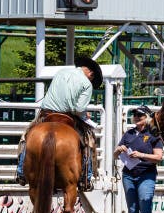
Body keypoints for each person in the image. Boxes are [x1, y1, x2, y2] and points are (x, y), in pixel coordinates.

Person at [15, 56, 103, 191]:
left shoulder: (61, 73)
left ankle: (21, 171)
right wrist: (85, 115)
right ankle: (86, 177)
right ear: (91, 74)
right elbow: (78, 109)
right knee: (87, 140)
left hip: (46, 114)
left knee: (27, 137)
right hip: (67, 116)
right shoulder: (86, 84)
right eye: (92, 78)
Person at [114, 105, 163, 213]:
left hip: (146, 174)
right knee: (133, 210)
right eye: (135, 114)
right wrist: (119, 150)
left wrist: (141, 155)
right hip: (129, 174)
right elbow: (116, 154)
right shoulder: (128, 134)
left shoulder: (153, 134)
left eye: (140, 115)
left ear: (147, 118)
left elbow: (158, 157)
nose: (136, 117)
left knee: (145, 208)